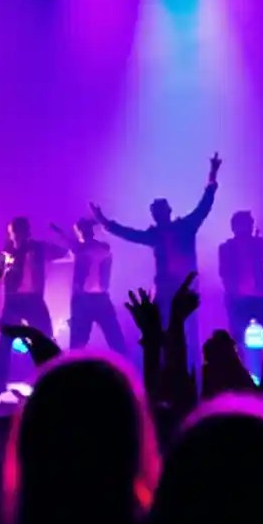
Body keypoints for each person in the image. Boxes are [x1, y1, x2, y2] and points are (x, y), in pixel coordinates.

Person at [93, 152, 221, 371]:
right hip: (165, 288)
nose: (158, 214)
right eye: (155, 212)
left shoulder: (185, 226)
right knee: (161, 330)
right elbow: (129, 234)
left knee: (189, 330)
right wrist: (105, 222)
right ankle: (165, 374)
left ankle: (193, 376)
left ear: (168, 211)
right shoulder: (156, 235)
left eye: (161, 210)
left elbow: (204, 206)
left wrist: (212, 174)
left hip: (186, 286)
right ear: (154, 215)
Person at [218, 210, 263, 390]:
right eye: (244, 224)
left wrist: (260, 241)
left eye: (248, 224)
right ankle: (240, 383)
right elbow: (224, 273)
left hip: (258, 297)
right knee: (237, 342)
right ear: (235, 227)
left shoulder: (256, 244)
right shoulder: (226, 248)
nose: (247, 228)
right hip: (240, 300)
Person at [0, 217, 67, 394]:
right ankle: (0, 384)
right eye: (13, 233)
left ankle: (53, 379)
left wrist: (59, 236)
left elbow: (63, 252)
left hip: (33, 299)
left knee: (46, 337)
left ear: (26, 232)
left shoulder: (37, 248)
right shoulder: (8, 251)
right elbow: (0, 274)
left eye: (18, 232)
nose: (15, 236)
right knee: (5, 341)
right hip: (14, 301)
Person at [49, 218, 127, 356]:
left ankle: (74, 370)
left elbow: (78, 248)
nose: (82, 233)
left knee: (83, 342)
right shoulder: (93, 249)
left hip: (91, 299)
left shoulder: (93, 248)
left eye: (82, 230)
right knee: (108, 340)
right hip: (91, 298)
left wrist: (61, 234)